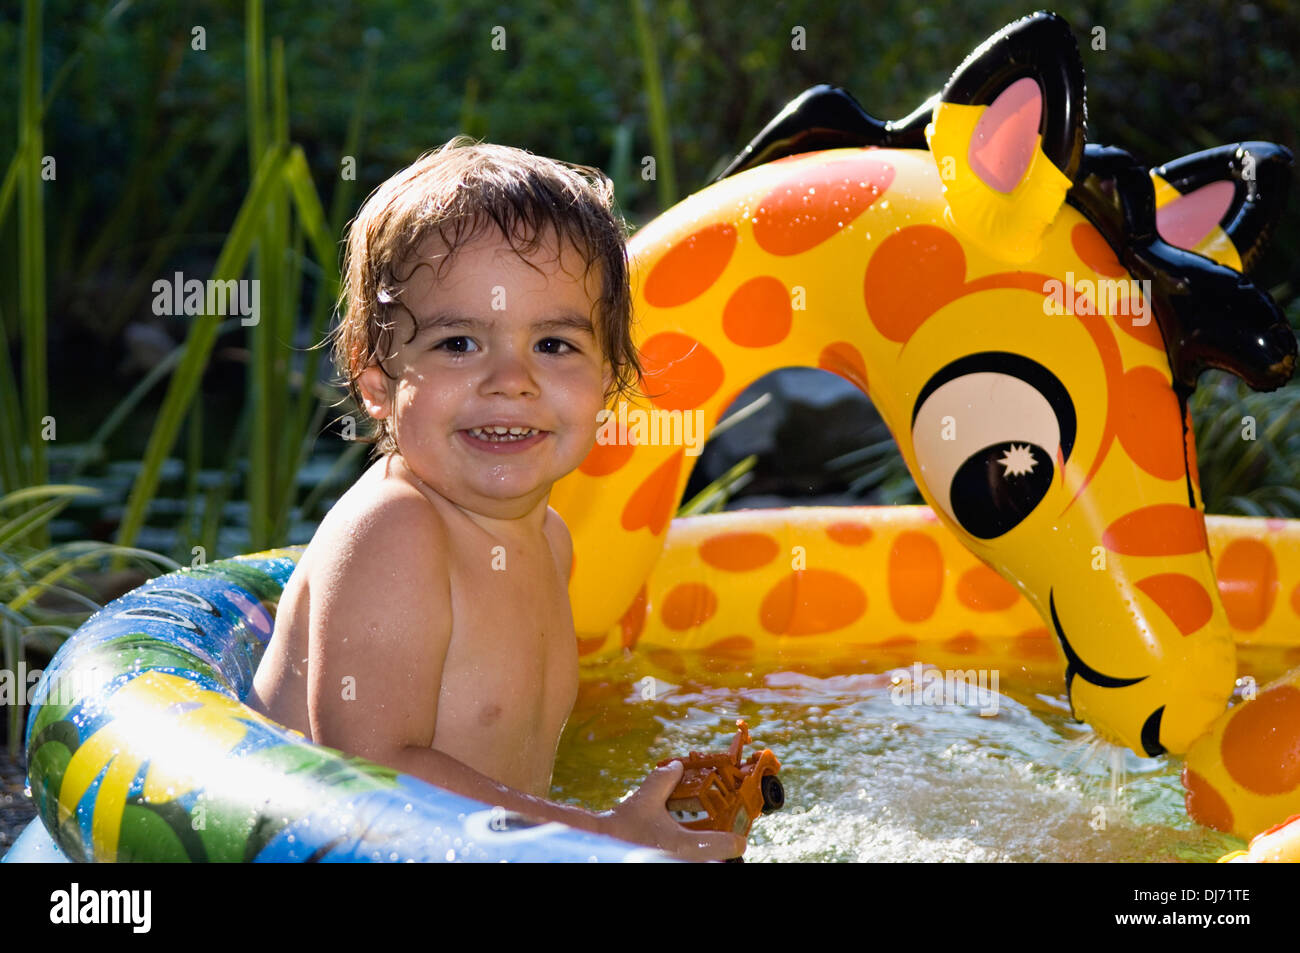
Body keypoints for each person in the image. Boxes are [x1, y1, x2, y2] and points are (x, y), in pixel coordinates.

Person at [247, 137, 745, 861]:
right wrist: (601, 835)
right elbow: (372, 776)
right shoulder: (397, 531)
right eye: (457, 343)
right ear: (377, 376)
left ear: (609, 379)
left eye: (554, 345)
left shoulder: (549, 539)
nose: (511, 380)